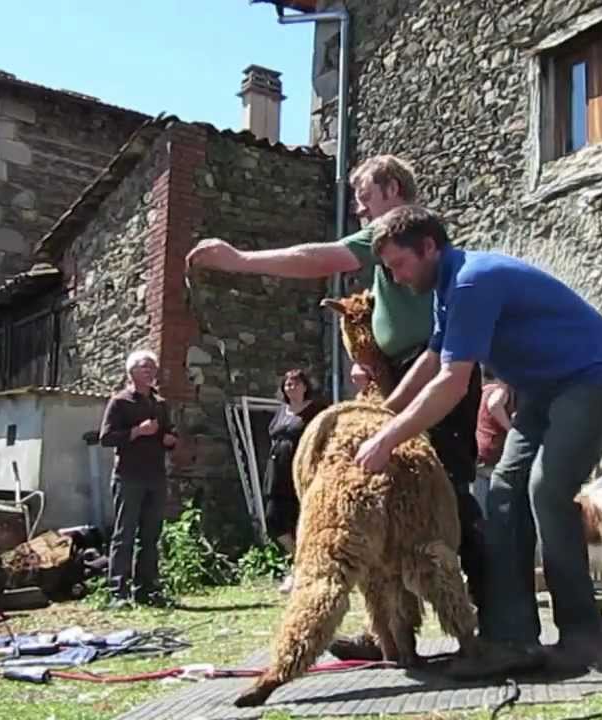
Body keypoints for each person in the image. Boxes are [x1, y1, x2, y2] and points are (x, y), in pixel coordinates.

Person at [185, 155, 484, 661]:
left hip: (433, 369)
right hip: (402, 368)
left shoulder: (399, 231)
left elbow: (318, 258)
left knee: (446, 494)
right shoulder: (394, 238)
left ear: (391, 189)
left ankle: (494, 622)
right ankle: (391, 630)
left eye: (364, 195)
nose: (359, 208)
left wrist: (240, 260)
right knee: (389, 499)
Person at [353, 205, 602, 678]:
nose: (396, 279)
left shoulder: (471, 281)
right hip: (543, 390)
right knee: (505, 494)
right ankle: (512, 639)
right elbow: (434, 358)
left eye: (399, 265)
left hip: (593, 379)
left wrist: (387, 439)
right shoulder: (446, 290)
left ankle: (581, 634)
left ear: (428, 247)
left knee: (547, 489)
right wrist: (379, 413)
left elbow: (451, 383)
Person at [99, 350, 179, 608]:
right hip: (128, 476)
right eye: (144, 367)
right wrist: (137, 431)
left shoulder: (160, 404)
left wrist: (170, 440)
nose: (150, 371)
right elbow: (106, 438)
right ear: (131, 371)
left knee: (150, 535)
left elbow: (169, 433)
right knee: (124, 534)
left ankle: (147, 589)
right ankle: (117, 592)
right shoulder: (120, 402)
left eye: (153, 367)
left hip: (155, 476)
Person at [264, 368, 326, 593]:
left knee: (299, 519)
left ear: (305, 386)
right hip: (276, 472)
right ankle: (300, 561)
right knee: (273, 519)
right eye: (288, 384)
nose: (292, 388)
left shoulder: (315, 410)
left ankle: (301, 571)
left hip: (300, 472)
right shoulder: (282, 410)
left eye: (296, 384)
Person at [474, 373, 514, 514]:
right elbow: (494, 405)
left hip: (480, 455)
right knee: (499, 513)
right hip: (494, 458)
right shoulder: (504, 390)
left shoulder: (485, 390)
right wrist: (511, 429)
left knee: (482, 512)